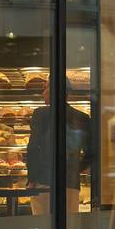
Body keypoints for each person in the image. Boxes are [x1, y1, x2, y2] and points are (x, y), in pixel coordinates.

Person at [26, 78, 92, 216]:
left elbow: (33, 148)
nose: (43, 93)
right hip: (70, 183)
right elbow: (90, 153)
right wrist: (74, 169)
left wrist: (32, 179)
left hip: (43, 181)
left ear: (54, 91)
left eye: (45, 88)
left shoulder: (40, 114)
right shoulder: (82, 117)